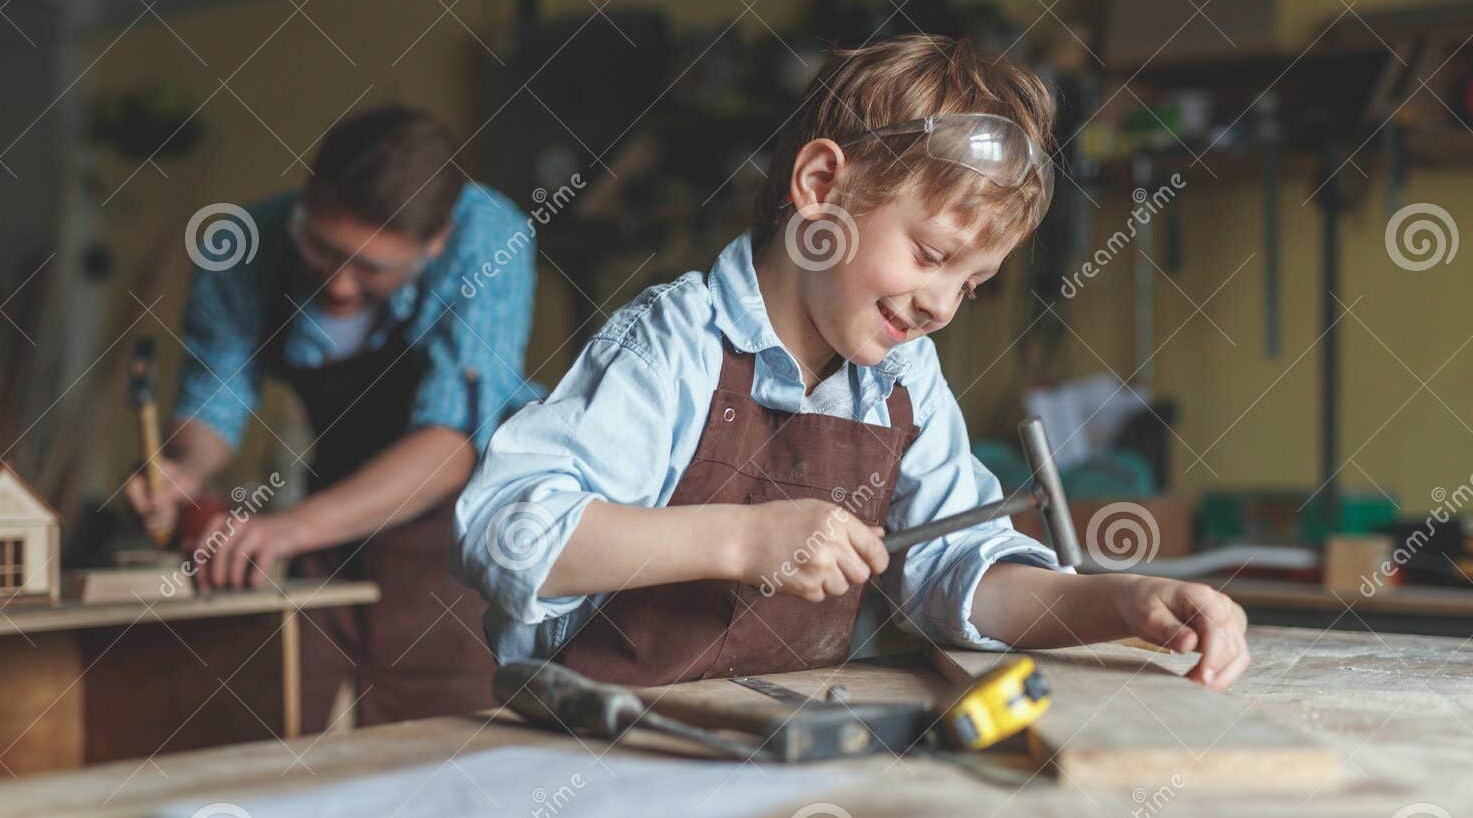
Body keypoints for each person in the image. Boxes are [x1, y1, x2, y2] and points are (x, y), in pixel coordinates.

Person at [451, 36, 1249, 691]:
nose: (941, 303)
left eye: (972, 284)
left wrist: (1129, 598)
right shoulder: (676, 344)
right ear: (821, 185)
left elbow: (961, 571)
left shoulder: (902, 381)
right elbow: (509, 534)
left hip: (768, 754)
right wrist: (743, 541)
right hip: (588, 761)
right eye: (931, 254)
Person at [125, 103, 537, 726]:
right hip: (332, 516)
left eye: (372, 269)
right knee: (279, 713)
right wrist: (182, 469)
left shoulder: (489, 238)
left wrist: (289, 529)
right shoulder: (244, 246)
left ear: (436, 243)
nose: (340, 286)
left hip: (457, 535)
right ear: (308, 197)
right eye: (322, 250)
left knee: (445, 746)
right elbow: (213, 408)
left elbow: (450, 444)